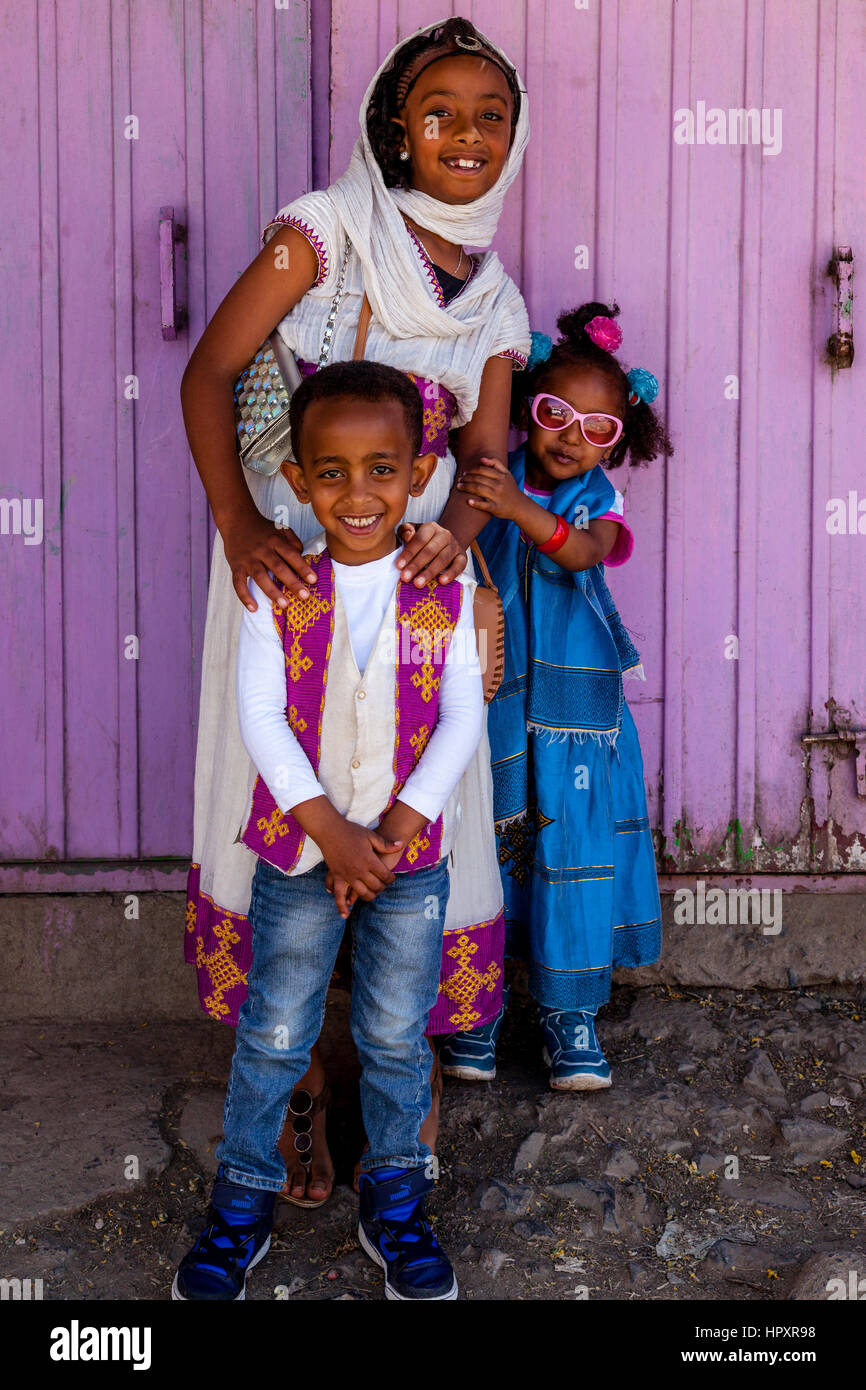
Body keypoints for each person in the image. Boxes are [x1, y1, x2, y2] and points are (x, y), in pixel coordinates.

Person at [181, 15, 530, 1204]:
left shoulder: (496, 299)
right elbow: (210, 372)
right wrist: (241, 528)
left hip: (416, 596)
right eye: (439, 112)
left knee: (410, 817)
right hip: (288, 580)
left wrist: (460, 535)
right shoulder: (323, 235)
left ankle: (395, 1090)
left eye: (489, 115)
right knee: (285, 809)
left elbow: (481, 466)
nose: (466, 135)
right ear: (396, 125)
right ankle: (294, 1098)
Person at [173, 361, 483, 1301]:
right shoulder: (276, 586)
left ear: (419, 473)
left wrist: (393, 826)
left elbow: (463, 715)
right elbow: (260, 718)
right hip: (301, 855)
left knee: (395, 1035)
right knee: (273, 1029)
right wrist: (333, 837)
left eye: (383, 469)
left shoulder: (446, 585)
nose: (359, 493)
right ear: (300, 482)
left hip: (406, 862)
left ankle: (394, 1199)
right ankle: (242, 1205)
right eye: (334, 472)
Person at [444, 302, 672, 1089]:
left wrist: (518, 508)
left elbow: (580, 554)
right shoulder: (485, 477)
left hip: (576, 723)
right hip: (499, 713)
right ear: (527, 404)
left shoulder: (597, 504)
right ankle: (477, 1009)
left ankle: (568, 1017)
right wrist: (495, 500)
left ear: (620, 440)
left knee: (569, 856)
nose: (572, 437)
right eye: (554, 414)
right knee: (492, 851)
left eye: (597, 429)